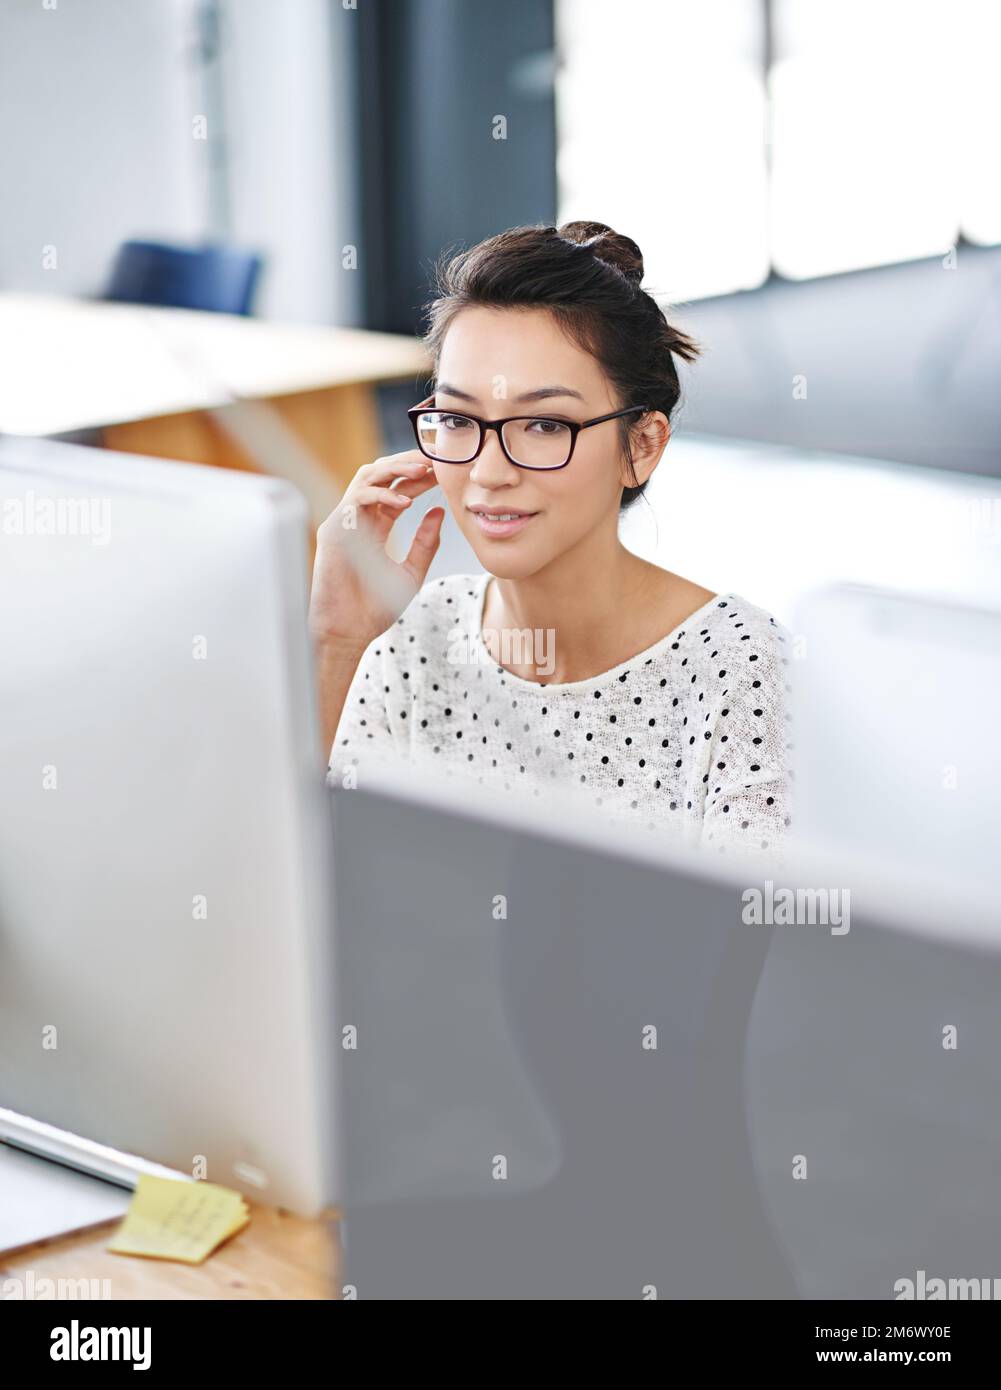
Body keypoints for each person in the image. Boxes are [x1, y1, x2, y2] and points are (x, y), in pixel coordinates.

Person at [310, 220, 793, 856]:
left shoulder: (740, 668)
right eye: (457, 417)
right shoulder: (413, 635)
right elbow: (308, 895)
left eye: (543, 424)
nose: (489, 473)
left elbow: (744, 944)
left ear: (641, 447)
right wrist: (337, 644)